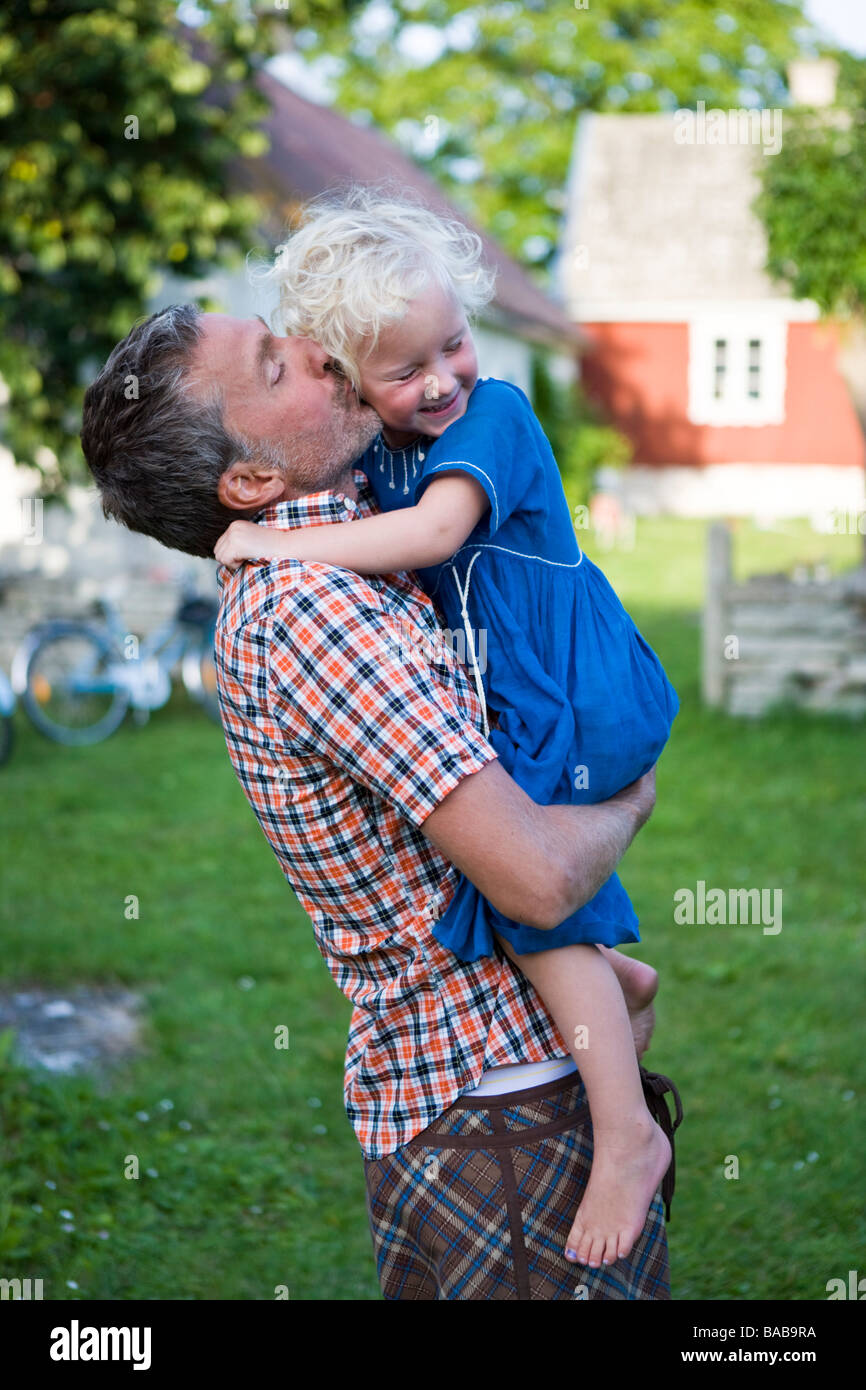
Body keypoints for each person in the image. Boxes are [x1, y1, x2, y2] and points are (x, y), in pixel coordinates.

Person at [80, 299, 681, 1300]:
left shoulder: (355, 552)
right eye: (276, 366)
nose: (319, 351)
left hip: (470, 1102)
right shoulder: (314, 612)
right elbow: (534, 878)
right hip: (498, 1111)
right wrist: (629, 796)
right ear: (252, 481)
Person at [213, 189, 680, 1269]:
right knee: (512, 888)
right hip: (513, 694)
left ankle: (623, 1136)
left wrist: (267, 550)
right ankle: (619, 983)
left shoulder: (494, 417)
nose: (442, 380)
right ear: (353, 380)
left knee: (527, 905)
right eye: (404, 372)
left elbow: (430, 532)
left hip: (564, 687)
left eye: (454, 344)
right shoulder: (384, 446)